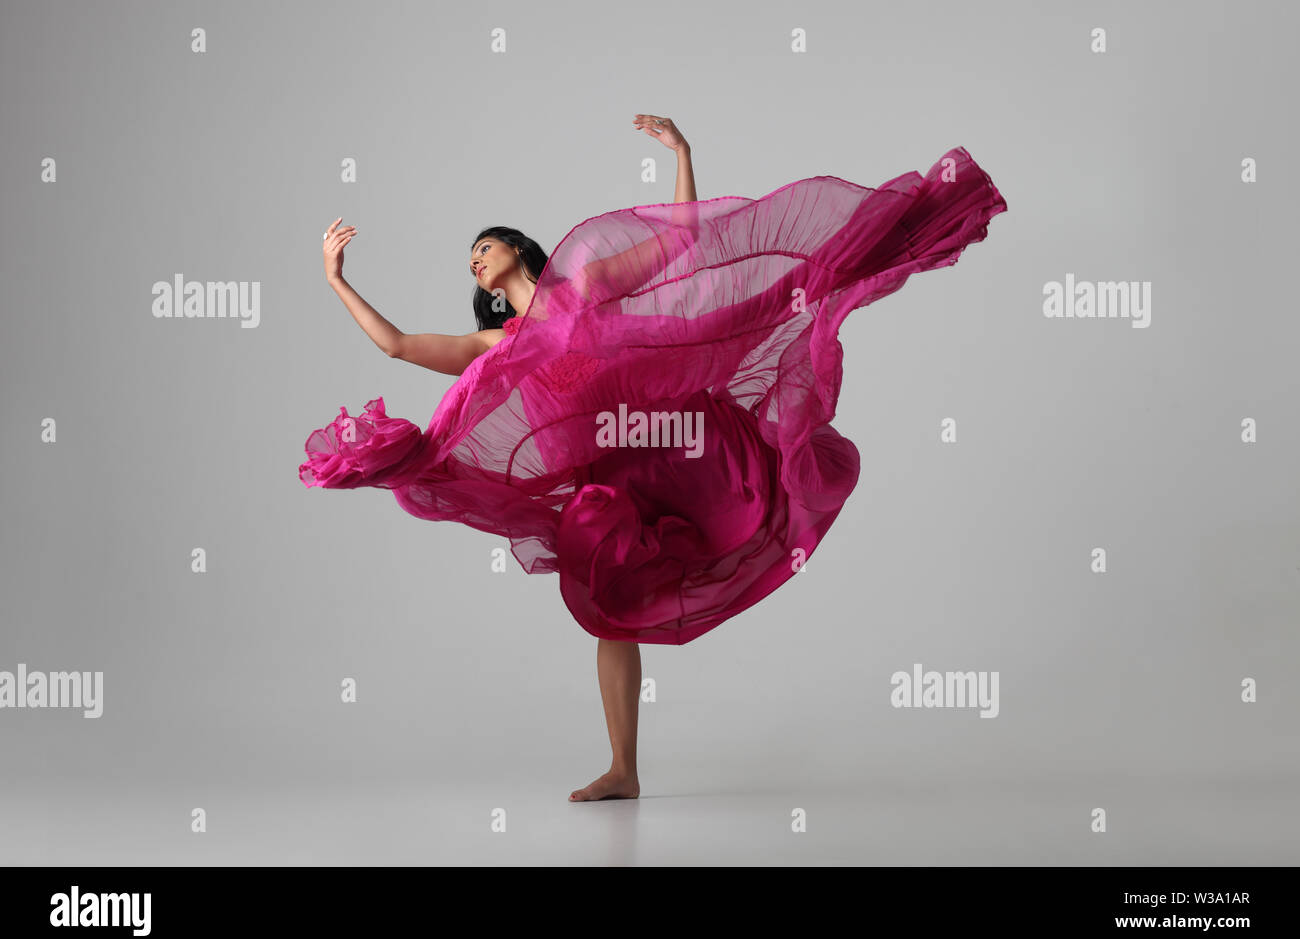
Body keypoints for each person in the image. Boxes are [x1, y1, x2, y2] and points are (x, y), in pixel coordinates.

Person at [302, 114, 1008, 801]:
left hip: (676, 436)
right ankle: (623, 769)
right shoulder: (499, 345)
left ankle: (929, 217)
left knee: (793, 301)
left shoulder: (581, 290)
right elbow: (397, 345)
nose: (476, 259)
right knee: (609, 603)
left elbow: (681, 243)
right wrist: (336, 280)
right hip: (611, 476)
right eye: (471, 262)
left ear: (517, 249)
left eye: (484, 246)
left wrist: (681, 153)